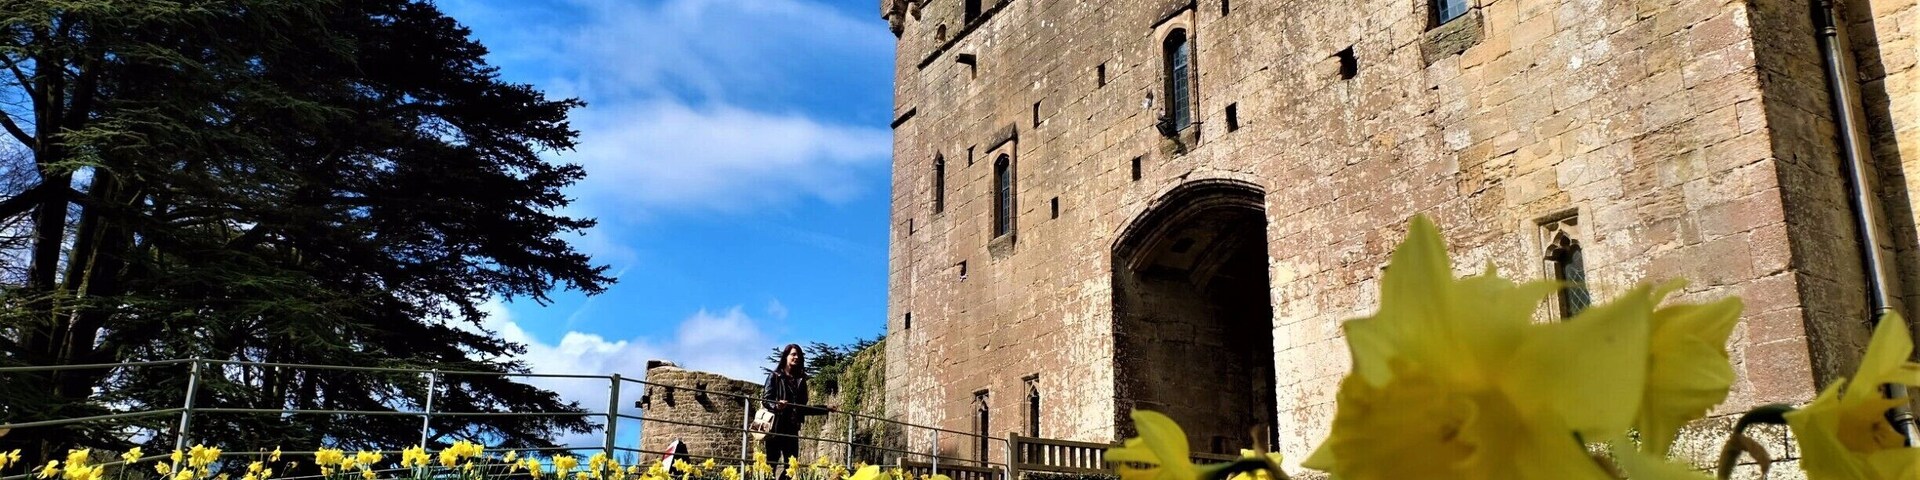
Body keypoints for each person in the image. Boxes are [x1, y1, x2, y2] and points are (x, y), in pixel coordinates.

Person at [762, 343, 824, 479]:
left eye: (798, 355)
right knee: (771, 464)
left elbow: (802, 408)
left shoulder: (800, 380)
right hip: (776, 427)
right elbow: (766, 400)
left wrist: (825, 409)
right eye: (793, 354)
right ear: (786, 356)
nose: (796, 357)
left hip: (792, 428)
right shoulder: (775, 376)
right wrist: (777, 406)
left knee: (791, 466)